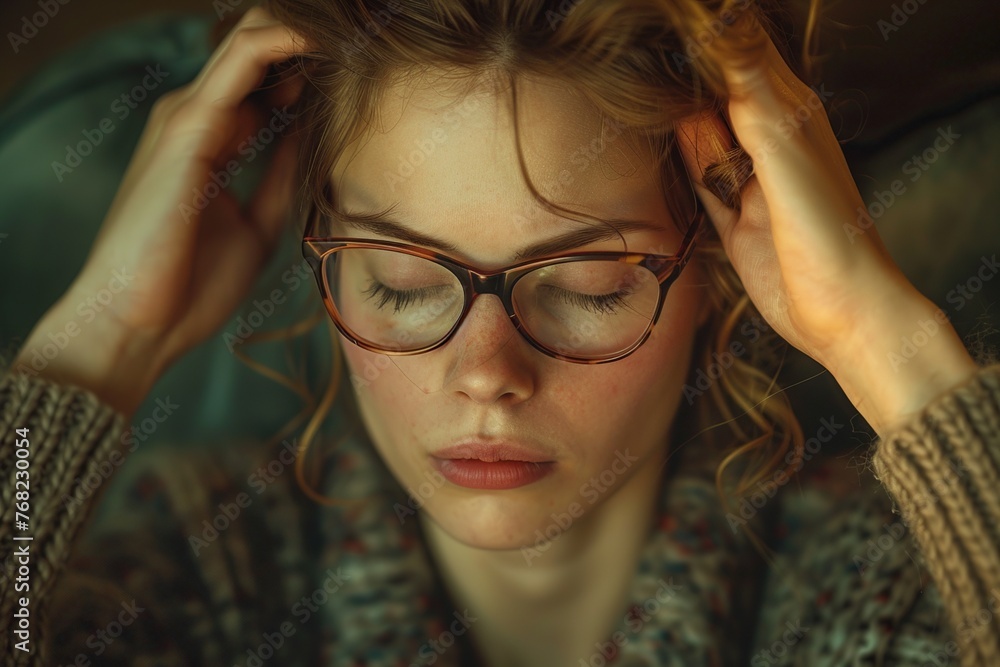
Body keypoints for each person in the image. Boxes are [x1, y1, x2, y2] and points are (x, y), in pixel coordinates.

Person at [1, 1, 998, 665]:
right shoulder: (197, 564)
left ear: (713, 268)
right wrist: (97, 343)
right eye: (402, 284)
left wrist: (886, 343)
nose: (486, 372)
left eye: (588, 285)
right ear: (323, 263)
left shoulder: (875, 575)